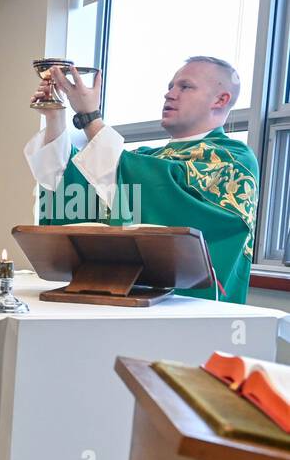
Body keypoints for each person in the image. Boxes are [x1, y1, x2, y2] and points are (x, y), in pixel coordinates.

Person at [25, 56, 258, 304]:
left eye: (185, 86)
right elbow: (69, 181)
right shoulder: (148, 157)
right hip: (121, 301)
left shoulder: (232, 159)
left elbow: (167, 195)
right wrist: (54, 116)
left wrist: (90, 116)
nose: (169, 94)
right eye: (170, 87)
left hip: (184, 310)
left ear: (220, 100)